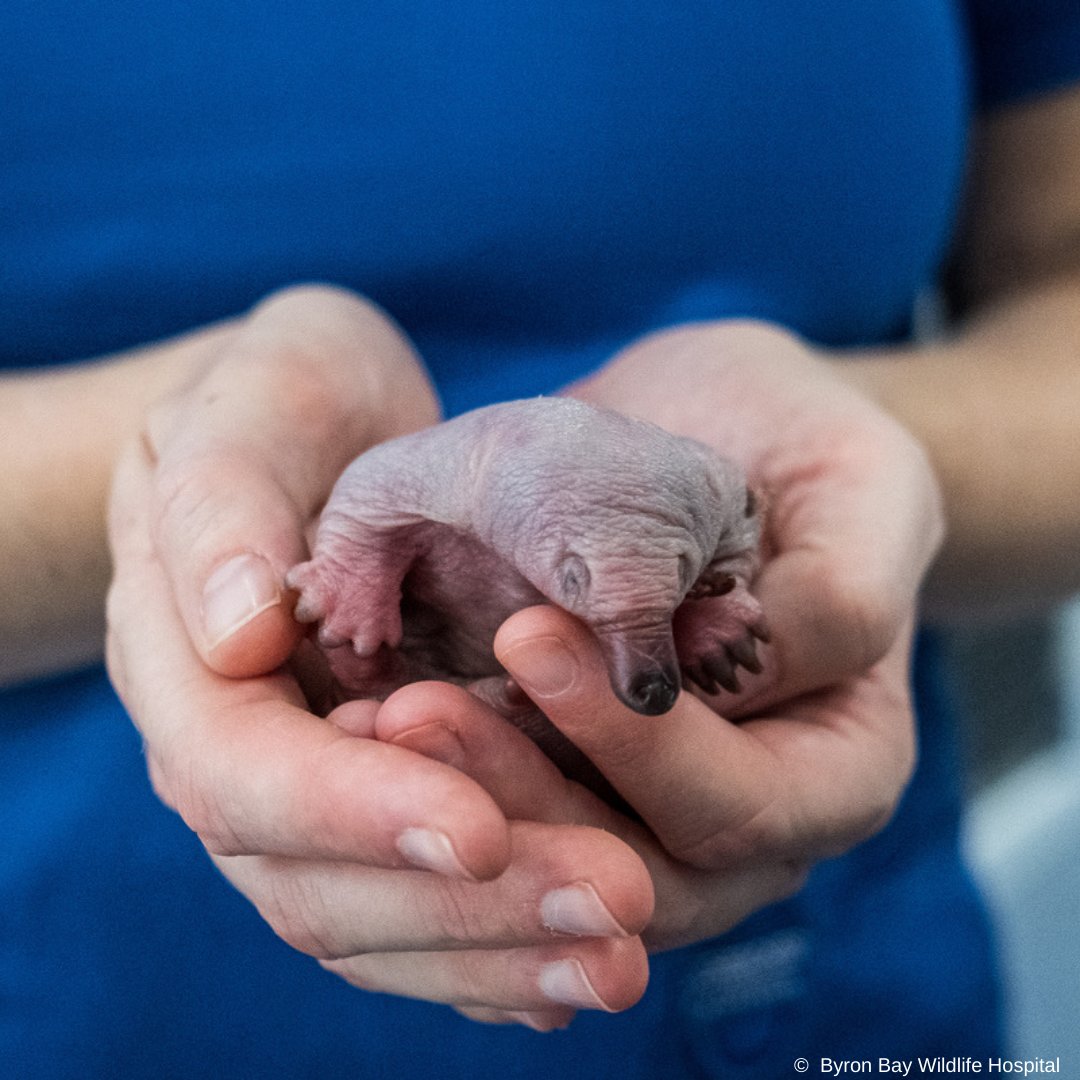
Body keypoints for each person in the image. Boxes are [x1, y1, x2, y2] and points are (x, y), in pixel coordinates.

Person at [3, 2, 1080, 1076]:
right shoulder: (421, 483)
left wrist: (834, 494)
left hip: (806, 1000)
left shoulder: (709, 498)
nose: (641, 652)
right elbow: (371, 511)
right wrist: (225, 486)